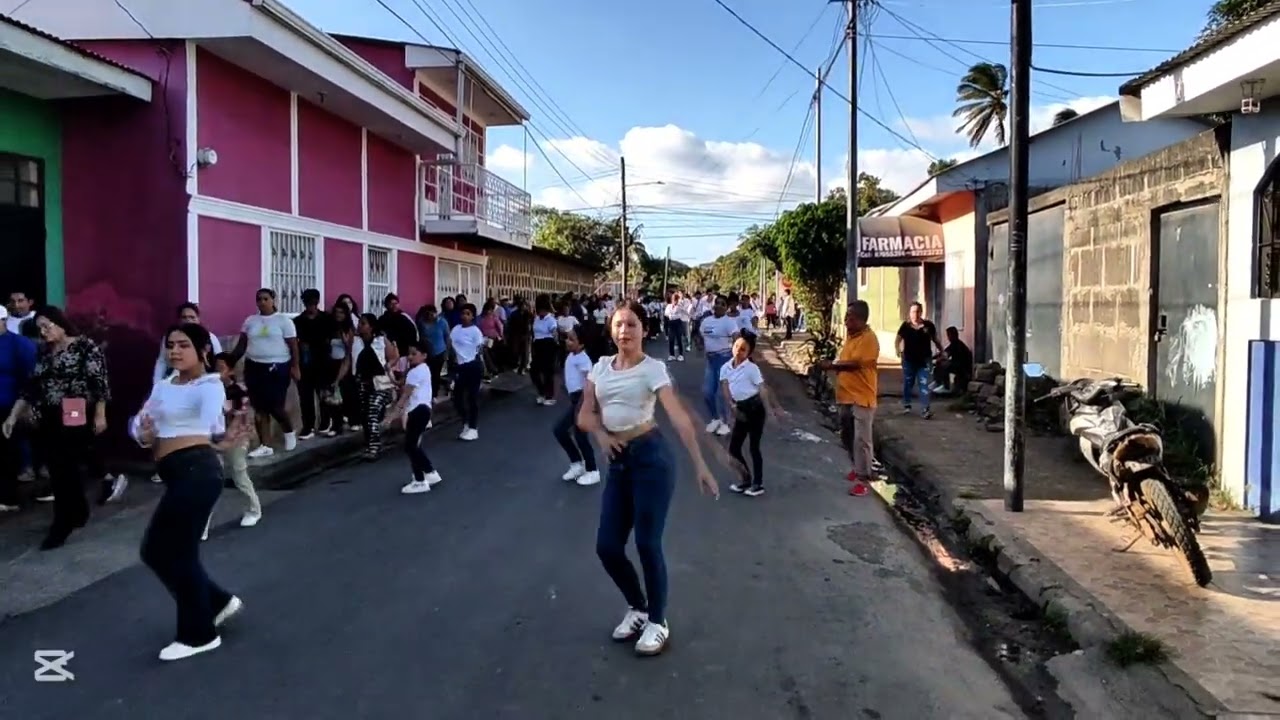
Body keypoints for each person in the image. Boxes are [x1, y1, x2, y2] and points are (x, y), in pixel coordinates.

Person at [576, 301, 719, 657]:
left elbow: (679, 418)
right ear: (612, 330)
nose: (625, 331)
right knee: (607, 547)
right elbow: (584, 415)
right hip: (620, 462)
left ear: (644, 330)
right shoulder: (600, 369)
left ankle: (658, 620)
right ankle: (638, 607)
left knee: (647, 543)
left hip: (651, 458)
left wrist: (700, 464)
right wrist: (602, 437)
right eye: (619, 325)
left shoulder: (652, 369)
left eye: (632, 325)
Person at [131, 323, 247, 661]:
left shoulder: (209, 386)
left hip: (198, 471)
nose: (175, 352)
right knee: (156, 551)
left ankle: (199, 634)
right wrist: (145, 434)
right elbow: (140, 424)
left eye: (183, 345)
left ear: (203, 351)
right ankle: (218, 602)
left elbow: (212, 425)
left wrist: (223, 438)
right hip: (177, 473)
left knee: (175, 553)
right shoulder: (164, 386)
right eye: (170, 345)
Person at [2, 307, 110, 550]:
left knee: (66, 465)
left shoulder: (85, 347)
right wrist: (13, 415)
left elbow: (99, 383)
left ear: (61, 323)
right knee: (57, 466)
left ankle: (62, 523)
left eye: (47, 326)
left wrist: (100, 415)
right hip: (49, 413)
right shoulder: (43, 352)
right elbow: (31, 386)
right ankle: (77, 510)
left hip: (76, 409)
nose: (44, 331)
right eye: (40, 328)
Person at [231, 288, 300, 459]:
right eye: (259, 299)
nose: (262, 302)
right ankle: (265, 444)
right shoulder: (250, 321)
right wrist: (228, 361)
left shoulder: (284, 321)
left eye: (265, 299)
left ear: (273, 300)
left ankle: (289, 432)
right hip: (254, 366)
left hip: (277, 367)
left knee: (275, 405)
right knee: (259, 407)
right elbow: (242, 345)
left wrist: (295, 366)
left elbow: (293, 346)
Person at [820, 301, 880, 497]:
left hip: (862, 396)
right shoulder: (851, 338)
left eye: (851, 318)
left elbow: (855, 363)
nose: (846, 321)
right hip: (846, 395)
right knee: (847, 433)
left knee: (862, 439)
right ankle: (857, 467)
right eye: (846, 317)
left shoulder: (869, 339)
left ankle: (864, 479)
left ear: (862, 319)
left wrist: (832, 366)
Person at [204, 352, 263, 538]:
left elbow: (239, 418)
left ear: (230, 370)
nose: (218, 371)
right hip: (213, 438)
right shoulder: (208, 390)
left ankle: (254, 510)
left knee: (239, 474)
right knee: (211, 481)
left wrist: (226, 441)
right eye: (215, 367)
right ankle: (202, 524)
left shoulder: (238, 390)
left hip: (237, 437)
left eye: (222, 367)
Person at [720, 336, 782, 496]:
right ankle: (745, 479)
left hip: (755, 408)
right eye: (736, 346)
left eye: (743, 349)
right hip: (740, 408)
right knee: (734, 448)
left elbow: (762, 388)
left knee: (754, 446)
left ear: (748, 353)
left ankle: (758, 484)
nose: (738, 351)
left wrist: (769, 410)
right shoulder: (725, 368)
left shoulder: (751, 369)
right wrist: (732, 407)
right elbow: (725, 388)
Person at [385, 341, 443, 494]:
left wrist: (392, 415)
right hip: (423, 409)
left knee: (410, 446)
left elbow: (405, 395)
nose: (410, 357)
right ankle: (430, 472)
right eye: (409, 353)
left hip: (417, 410)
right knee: (413, 445)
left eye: (414, 354)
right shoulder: (422, 369)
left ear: (424, 356)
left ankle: (419, 480)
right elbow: (401, 385)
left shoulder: (415, 372)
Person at [0, 306, 36, 513]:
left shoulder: (19, 344)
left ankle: (9, 498)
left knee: (8, 452)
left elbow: (30, 378)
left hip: (10, 406)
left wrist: (25, 407)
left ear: (4, 321)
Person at [554, 329, 599, 486]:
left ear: (582, 344)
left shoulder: (583, 359)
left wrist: (586, 406)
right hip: (575, 399)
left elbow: (589, 382)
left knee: (580, 436)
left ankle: (593, 470)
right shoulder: (571, 356)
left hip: (582, 399)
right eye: (567, 338)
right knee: (560, 431)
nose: (568, 341)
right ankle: (577, 464)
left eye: (572, 340)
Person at [352, 313, 399, 459]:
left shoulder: (380, 341)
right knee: (366, 416)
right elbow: (349, 360)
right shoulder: (355, 342)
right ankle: (370, 444)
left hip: (381, 385)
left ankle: (374, 448)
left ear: (371, 327)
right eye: (359, 323)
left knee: (372, 412)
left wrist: (388, 365)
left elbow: (394, 357)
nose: (360, 326)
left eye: (364, 323)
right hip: (362, 384)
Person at [294, 289, 336, 440]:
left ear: (317, 302)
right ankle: (308, 426)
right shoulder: (298, 321)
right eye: (308, 303)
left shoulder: (327, 319)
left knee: (323, 394)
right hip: (305, 363)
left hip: (324, 362)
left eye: (313, 303)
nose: (310, 306)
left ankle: (325, 422)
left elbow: (333, 339)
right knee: (305, 396)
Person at [152, 303, 223, 385]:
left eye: (192, 317)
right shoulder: (170, 337)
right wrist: (156, 383)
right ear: (179, 320)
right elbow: (162, 361)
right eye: (184, 317)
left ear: (198, 319)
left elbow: (220, 361)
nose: (188, 320)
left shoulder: (210, 337)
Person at [699, 294, 739, 436]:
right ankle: (715, 419)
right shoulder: (706, 321)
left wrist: (736, 357)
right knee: (707, 393)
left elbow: (736, 338)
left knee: (722, 394)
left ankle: (726, 423)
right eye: (717, 303)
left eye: (723, 304)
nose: (719, 306)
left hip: (724, 359)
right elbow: (700, 335)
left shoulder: (729, 322)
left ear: (726, 307)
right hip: (711, 361)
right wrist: (700, 346)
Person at [895, 302, 943, 419]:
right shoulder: (905, 326)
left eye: (917, 311)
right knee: (908, 383)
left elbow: (935, 339)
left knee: (924, 384)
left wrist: (942, 350)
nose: (915, 314)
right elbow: (898, 339)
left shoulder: (928, 326)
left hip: (924, 361)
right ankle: (907, 404)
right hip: (909, 360)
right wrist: (898, 350)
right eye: (912, 312)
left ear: (921, 312)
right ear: (909, 313)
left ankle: (925, 409)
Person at [449, 304, 484, 441]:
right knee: (457, 398)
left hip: (472, 366)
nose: (464, 316)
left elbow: (479, 349)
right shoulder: (456, 329)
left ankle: (473, 428)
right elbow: (450, 345)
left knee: (472, 398)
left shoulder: (475, 331)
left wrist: (479, 365)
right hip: (459, 366)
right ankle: (465, 422)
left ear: (473, 316)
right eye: (463, 313)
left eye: (468, 314)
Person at [530, 295, 559, 406]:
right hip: (537, 344)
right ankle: (542, 392)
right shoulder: (536, 319)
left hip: (548, 344)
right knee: (534, 370)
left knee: (548, 371)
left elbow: (554, 332)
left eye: (542, 310)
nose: (540, 312)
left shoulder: (550, 319)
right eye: (539, 310)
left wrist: (557, 342)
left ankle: (549, 396)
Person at [932, 326, 973, 394]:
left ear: (954, 334)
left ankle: (945, 387)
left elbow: (946, 355)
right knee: (941, 364)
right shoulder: (954, 343)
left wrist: (938, 360)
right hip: (956, 364)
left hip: (962, 367)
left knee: (943, 365)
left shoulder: (958, 344)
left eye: (949, 335)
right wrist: (933, 357)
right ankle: (937, 382)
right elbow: (943, 352)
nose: (948, 337)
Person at [664, 292, 689, 361]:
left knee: (679, 339)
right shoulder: (669, 306)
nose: (674, 301)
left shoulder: (680, 306)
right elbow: (666, 313)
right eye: (673, 299)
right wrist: (670, 315)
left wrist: (675, 315)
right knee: (671, 340)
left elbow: (684, 313)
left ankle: (680, 355)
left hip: (678, 323)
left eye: (676, 300)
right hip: (671, 323)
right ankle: (672, 355)